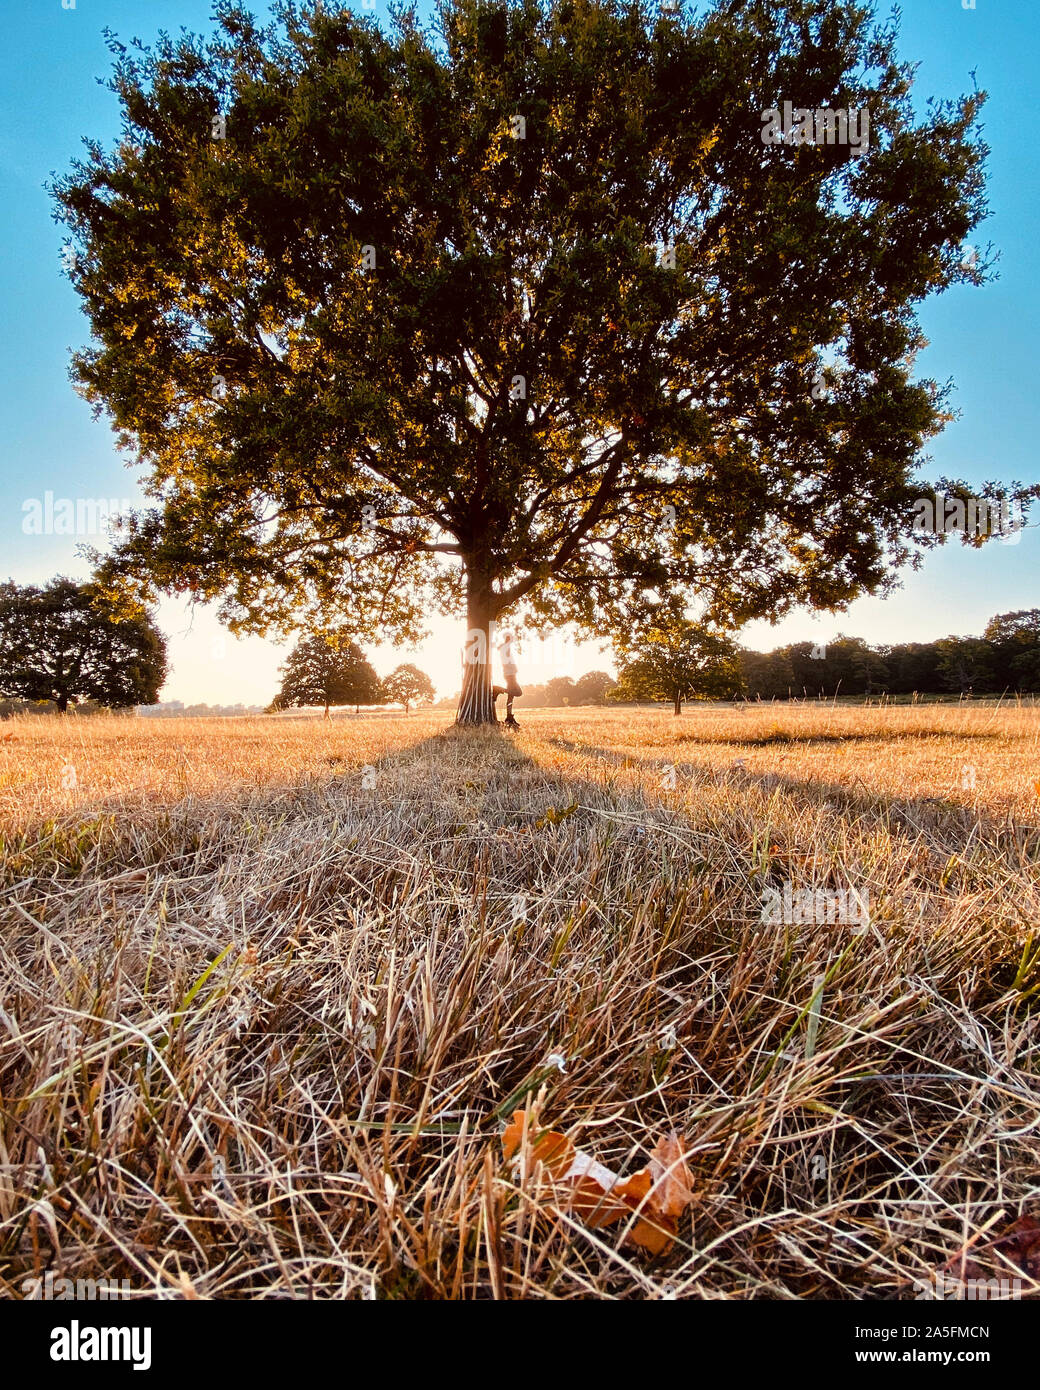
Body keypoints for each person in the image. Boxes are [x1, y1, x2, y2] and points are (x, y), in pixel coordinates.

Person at [492, 629, 522, 728]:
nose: (512, 639)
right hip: (510, 674)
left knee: (511, 696)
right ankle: (498, 689)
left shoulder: (503, 647)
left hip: (510, 673)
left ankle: (509, 717)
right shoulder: (506, 647)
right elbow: (506, 660)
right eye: (510, 638)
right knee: (518, 692)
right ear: (508, 638)